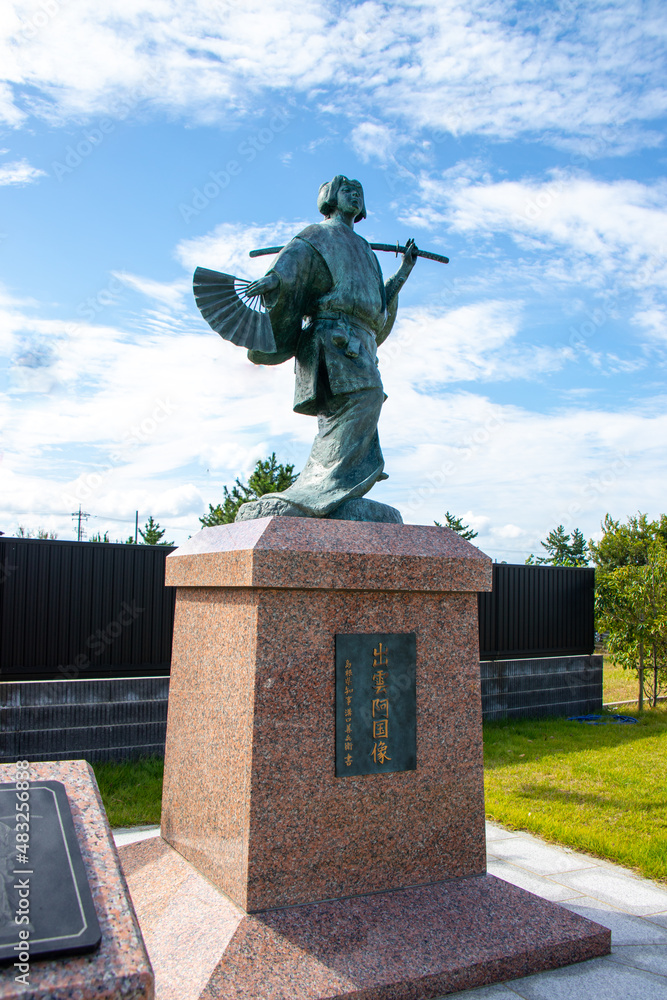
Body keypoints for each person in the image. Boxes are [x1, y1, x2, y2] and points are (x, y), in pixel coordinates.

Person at [237, 175, 418, 521]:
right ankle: (320, 490)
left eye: (359, 193)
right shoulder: (316, 235)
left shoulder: (365, 248)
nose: (354, 197)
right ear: (331, 198)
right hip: (331, 338)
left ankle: (329, 491)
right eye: (347, 191)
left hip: (360, 342)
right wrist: (272, 281)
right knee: (367, 396)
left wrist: (405, 269)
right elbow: (292, 266)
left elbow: (379, 299)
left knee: (350, 410)